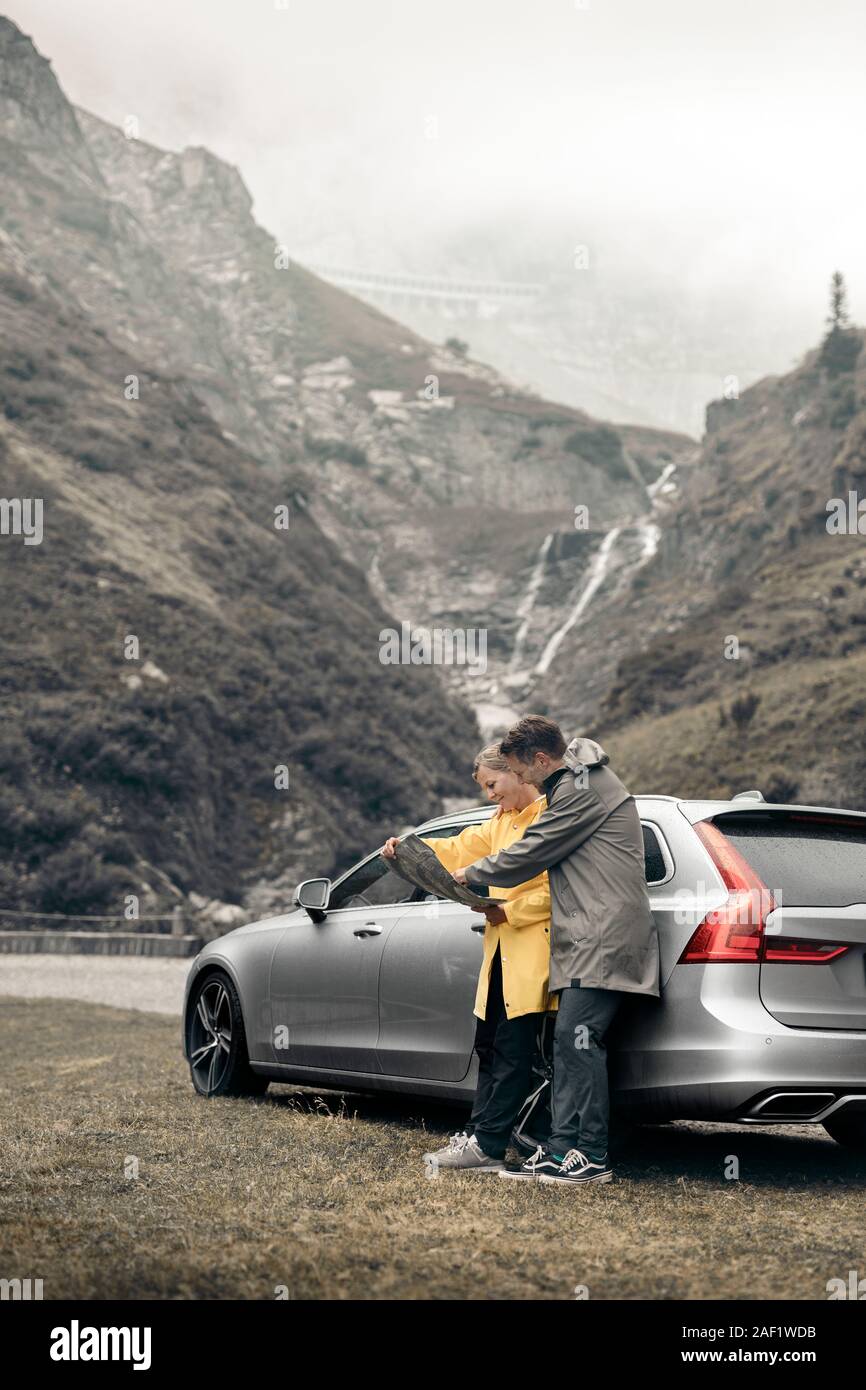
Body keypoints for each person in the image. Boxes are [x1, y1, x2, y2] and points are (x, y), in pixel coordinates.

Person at [453, 714, 660, 1186]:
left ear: (541, 759)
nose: (522, 782)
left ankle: (590, 1155)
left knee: (579, 1041)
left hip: (604, 934)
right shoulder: (573, 783)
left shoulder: (583, 788)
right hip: (585, 936)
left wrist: (472, 874)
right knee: (570, 1043)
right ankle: (563, 1148)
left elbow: (536, 847)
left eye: (522, 772)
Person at [382, 743, 557, 1172]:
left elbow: (560, 891)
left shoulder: (550, 818)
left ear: (517, 772)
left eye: (493, 784)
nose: (489, 794)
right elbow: (460, 847)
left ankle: (489, 1144)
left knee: (514, 1052)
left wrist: (509, 911)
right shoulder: (501, 821)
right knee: (489, 1047)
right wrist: (408, 848)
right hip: (499, 953)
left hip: (534, 952)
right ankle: (480, 1137)